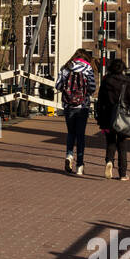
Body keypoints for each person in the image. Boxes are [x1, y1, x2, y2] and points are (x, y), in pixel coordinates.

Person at [96, 57, 130, 181]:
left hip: (108, 117)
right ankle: (122, 174)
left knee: (110, 142)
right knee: (122, 145)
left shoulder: (105, 81)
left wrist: (99, 117)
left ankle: (109, 161)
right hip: (122, 118)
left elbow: (100, 101)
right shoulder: (126, 82)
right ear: (122, 69)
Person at [56, 47, 96, 176]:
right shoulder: (87, 68)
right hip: (82, 105)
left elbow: (57, 85)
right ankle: (79, 165)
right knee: (80, 135)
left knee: (71, 133)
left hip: (68, 105)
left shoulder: (66, 67)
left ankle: (69, 156)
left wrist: (68, 91)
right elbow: (92, 87)